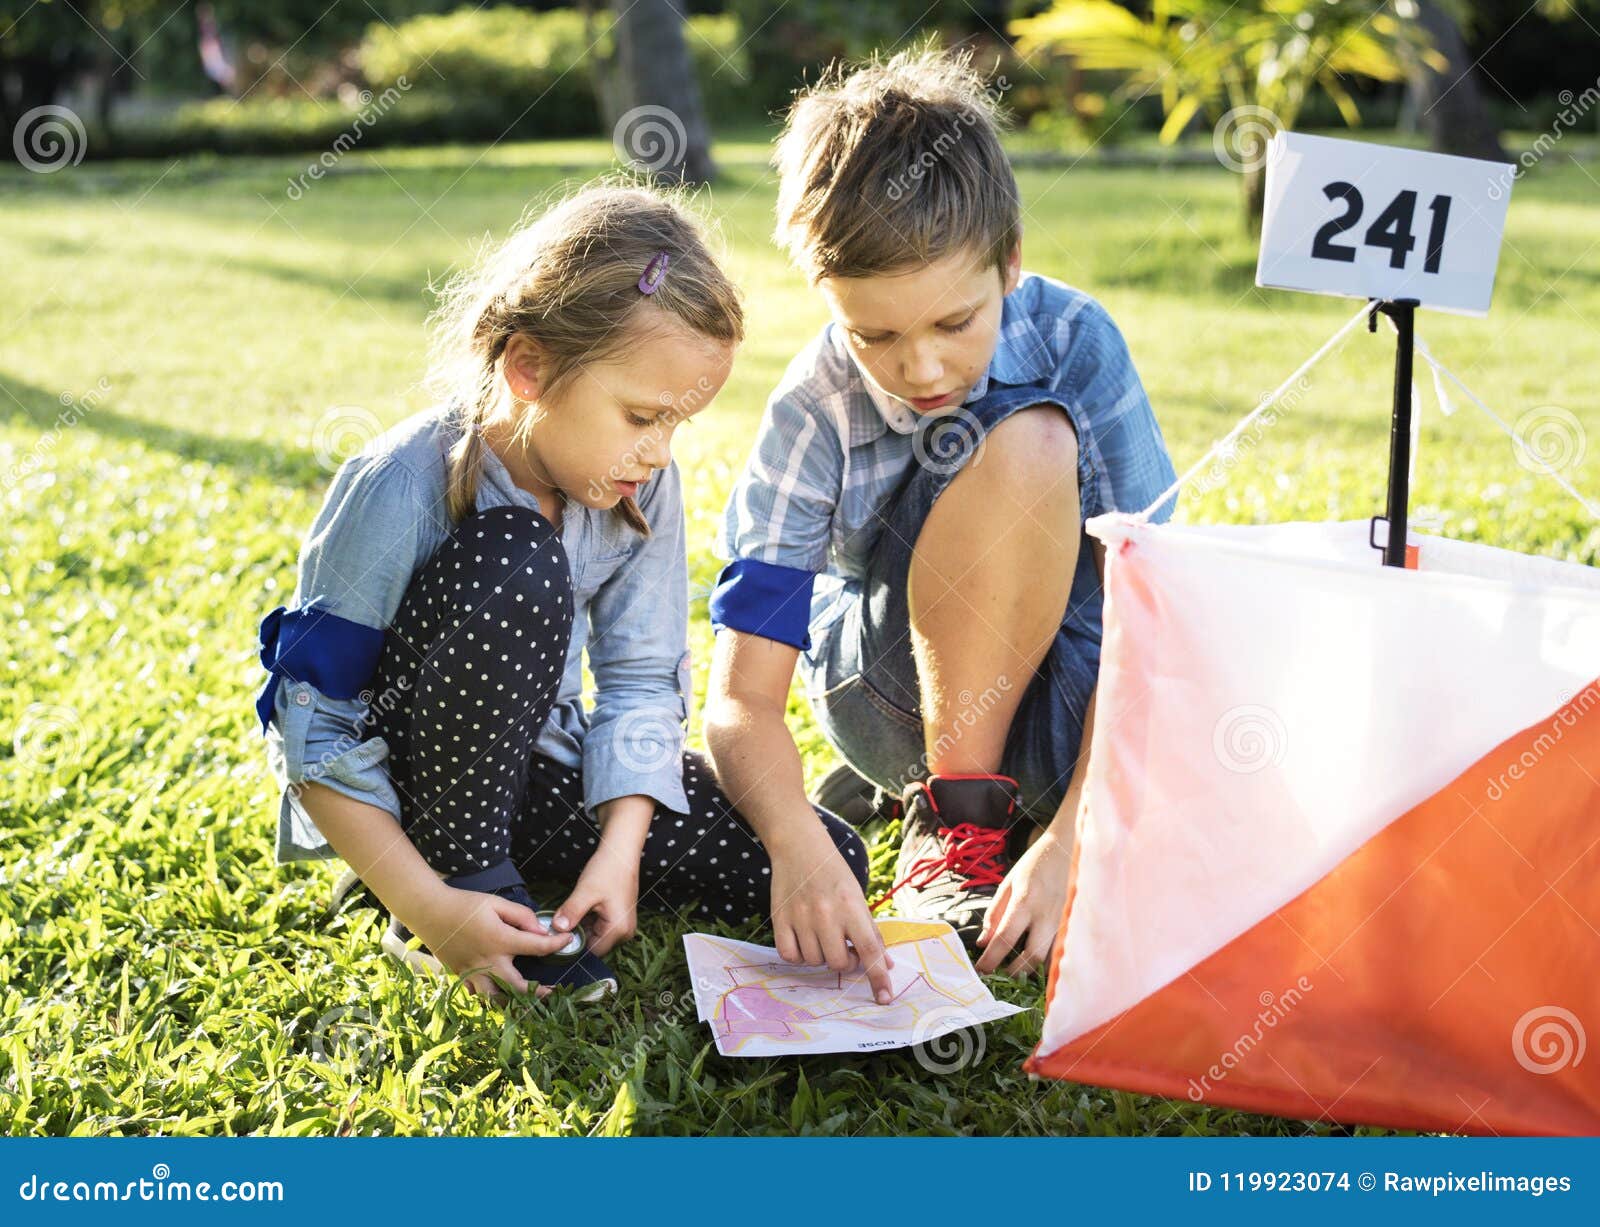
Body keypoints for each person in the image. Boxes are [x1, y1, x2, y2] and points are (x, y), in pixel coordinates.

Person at [253, 183, 871, 1004]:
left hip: (533, 765)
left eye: (678, 422)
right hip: (402, 788)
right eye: (643, 415)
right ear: (529, 367)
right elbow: (315, 730)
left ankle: (523, 866)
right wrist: (430, 905)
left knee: (821, 854)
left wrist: (619, 850)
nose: (658, 451)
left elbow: (642, 680)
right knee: (519, 558)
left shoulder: (642, 485)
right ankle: (451, 890)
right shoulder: (400, 483)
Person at [702, 48, 1178, 981]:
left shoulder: (1079, 340)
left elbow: (1161, 622)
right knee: (1026, 440)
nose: (921, 370)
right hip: (892, 695)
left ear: (1009, 262)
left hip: (1079, 703)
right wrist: (796, 844)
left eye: (953, 323)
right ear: (824, 298)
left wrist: (1083, 829)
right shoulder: (815, 410)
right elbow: (742, 696)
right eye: (873, 334)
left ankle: (1021, 809)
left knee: (1032, 433)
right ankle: (955, 819)